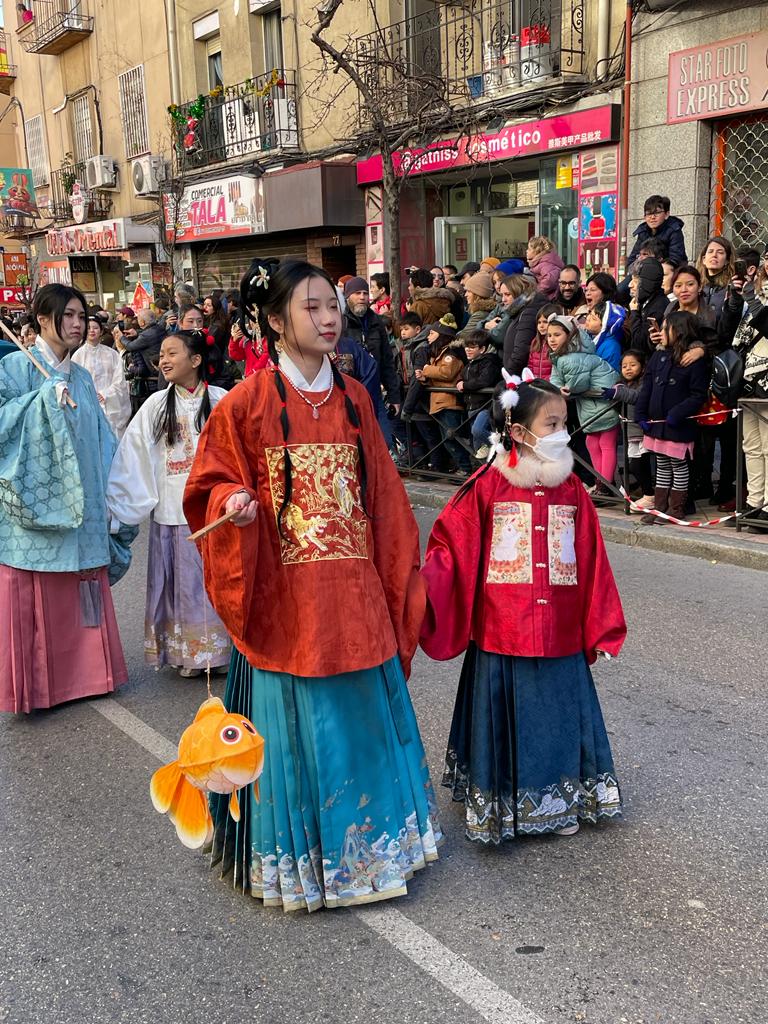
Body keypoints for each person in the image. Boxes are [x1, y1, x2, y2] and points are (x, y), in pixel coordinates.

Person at [183, 259, 442, 910]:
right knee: (306, 737)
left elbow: (382, 498)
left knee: (359, 723)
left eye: (334, 305)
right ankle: (304, 865)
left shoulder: (355, 400)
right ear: (275, 321)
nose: (330, 318)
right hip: (289, 597)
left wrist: (393, 583)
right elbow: (207, 485)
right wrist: (231, 502)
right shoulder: (247, 403)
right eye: (313, 307)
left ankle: (379, 855)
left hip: (353, 594)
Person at [419, 375, 626, 843]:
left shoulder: (572, 489)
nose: (561, 432)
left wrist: (604, 627)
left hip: (561, 634)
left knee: (555, 716)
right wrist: (419, 591)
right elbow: (451, 551)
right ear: (517, 431)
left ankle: (558, 801)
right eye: (551, 423)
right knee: (508, 717)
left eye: (564, 423)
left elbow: (593, 560)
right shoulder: (486, 487)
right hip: (502, 632)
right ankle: (503, 803)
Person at [0, 284, 132, 714]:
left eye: (82, 316)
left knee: (83, 588)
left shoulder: (81, 376)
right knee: (41, 591)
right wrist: (42, 400)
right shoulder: (15, 368)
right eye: (69, 316)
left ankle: (90, 676)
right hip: (34, 511)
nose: (78, 325)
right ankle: (41, 688)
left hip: (86, 502)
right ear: (42, 319)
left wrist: (117, 493)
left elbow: (101, 438)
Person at [106, 330, 231, 678]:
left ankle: (221, 650)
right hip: (173, 512)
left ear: (196, 360)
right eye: (161, 354)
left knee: (216, 582)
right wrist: (120, 506)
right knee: (181, 585)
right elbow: (134, 456)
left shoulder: (222, 400)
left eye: (171, 353)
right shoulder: (155, 405)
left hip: (215, 512)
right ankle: (187, 653)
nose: (162, 360)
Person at [636, 311, 710, 524]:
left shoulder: (692, 359)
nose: (662, 332)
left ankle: (676, 508)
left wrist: (678, 413)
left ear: (678, 331)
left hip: (679, 424)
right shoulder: (659, 356)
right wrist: (641, 414)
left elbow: (698, 395)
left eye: (666, 327)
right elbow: (647, 386)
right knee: (662, 464)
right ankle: (660, 508)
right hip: (657, 425)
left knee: (678, 465)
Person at [548, 313, 620, 495]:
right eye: (549, 335)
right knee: (591, 443)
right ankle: (602, 482)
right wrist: (557, 389)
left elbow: (578, 384)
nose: (552, 339)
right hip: (590, 406)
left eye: (557, 335)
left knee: (606, 443)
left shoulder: (573, 357)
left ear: (570, 335)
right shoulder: (561, 357)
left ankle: (606, 485)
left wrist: (565, 389)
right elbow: (555, 380)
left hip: (604, 402)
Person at [416, 313, 471, 474]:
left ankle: (465, 468)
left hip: (449, 403)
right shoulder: (439, 353)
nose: (428, 336)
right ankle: (460, 467)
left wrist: (426, 370)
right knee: (447, 439)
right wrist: (425, 378)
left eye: (432, 333)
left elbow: (447, 373)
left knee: (453, 438)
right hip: (440, 403)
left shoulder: (450, 354)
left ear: (442, 335)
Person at [602, 349, 655, 511]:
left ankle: (650, 496)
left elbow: (635, 397)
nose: (628, 369)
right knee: (633, 466)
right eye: (624, 366)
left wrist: (617, 392)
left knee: (641, 465)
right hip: (631, 432)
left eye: (633, 365)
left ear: (643, 367)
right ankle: (647, 493)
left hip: (643, 430)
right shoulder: (622, 383)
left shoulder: (644, 383)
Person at [72, 315, 131, 438]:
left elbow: (119, 380)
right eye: (88, 328)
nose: (92, 331)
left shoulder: (112, 354)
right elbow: (75, 382)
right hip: (88, 404)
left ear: (101, 331)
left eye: (95, 328)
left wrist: (106, 394)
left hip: (110, 404)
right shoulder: (78, 356)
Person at [456, 329, 501, 457]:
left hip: (485, 405)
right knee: (478, 448)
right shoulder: (468, 365)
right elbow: (462, 377)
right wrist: (460, 381)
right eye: (466, 347)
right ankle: (484, 471)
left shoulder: (489, 361)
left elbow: (484, 380)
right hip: (471, 406)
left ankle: (502, 446)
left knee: (478, 430)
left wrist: (465, 385)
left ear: (482, 349)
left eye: (472, 347)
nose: (468, 350)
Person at [114, 307, 165, 415]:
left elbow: (131, 346)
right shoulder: (159, 328)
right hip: (159, 370)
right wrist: (136, 333)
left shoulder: (146, 336)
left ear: (142, 322)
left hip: (154, 374)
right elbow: (148, 334)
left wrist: (121, 337)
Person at [627, 195, 687, 270]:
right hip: (644, 271)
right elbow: (631, 261)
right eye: (649, 214)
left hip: (668, 273)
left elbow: (676, 260)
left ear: (666, 214)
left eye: (657, 213)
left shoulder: (674, 230)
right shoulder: (643, 232)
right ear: (644, 217)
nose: (652, 217)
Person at [627, 258, 668, 354]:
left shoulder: (658, 306)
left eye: (635, 281)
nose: (630, 285)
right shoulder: (645, 301)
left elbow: (639, 343)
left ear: (646, 284)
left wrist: (634, 313)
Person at [696, 236, 734, 322]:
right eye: (710, 252)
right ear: (703, 259)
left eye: (720, 252)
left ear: (727, 260)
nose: (714, 255)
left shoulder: (731, 287)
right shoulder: (696, 285)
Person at [583, 300, 625, 371]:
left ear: (604, 325)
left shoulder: (611, 346)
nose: (588, 319)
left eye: (594, 319)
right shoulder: (588, 337)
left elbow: (609, 374)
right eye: (589, 314)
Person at [457, 271, 496, 338]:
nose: (465, 295)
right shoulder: (480, 311)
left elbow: (464, 335)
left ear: (477, 294)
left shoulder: (480, 314)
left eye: (469, 291)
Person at [525, 303, 559, 380]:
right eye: (539, 322)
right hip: (537, 385)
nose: (541, 326)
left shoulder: (555, 342)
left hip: (551, 386)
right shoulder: (535, 342)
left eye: (545, 322)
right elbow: (530, 365)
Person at [526, 235, 565, 300]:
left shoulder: (546, 263)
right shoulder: (540, 263)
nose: (526, 251)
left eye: (529, 249)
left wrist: (535, 292)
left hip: (549, 299)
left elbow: (550, 280)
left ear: (537, 251)